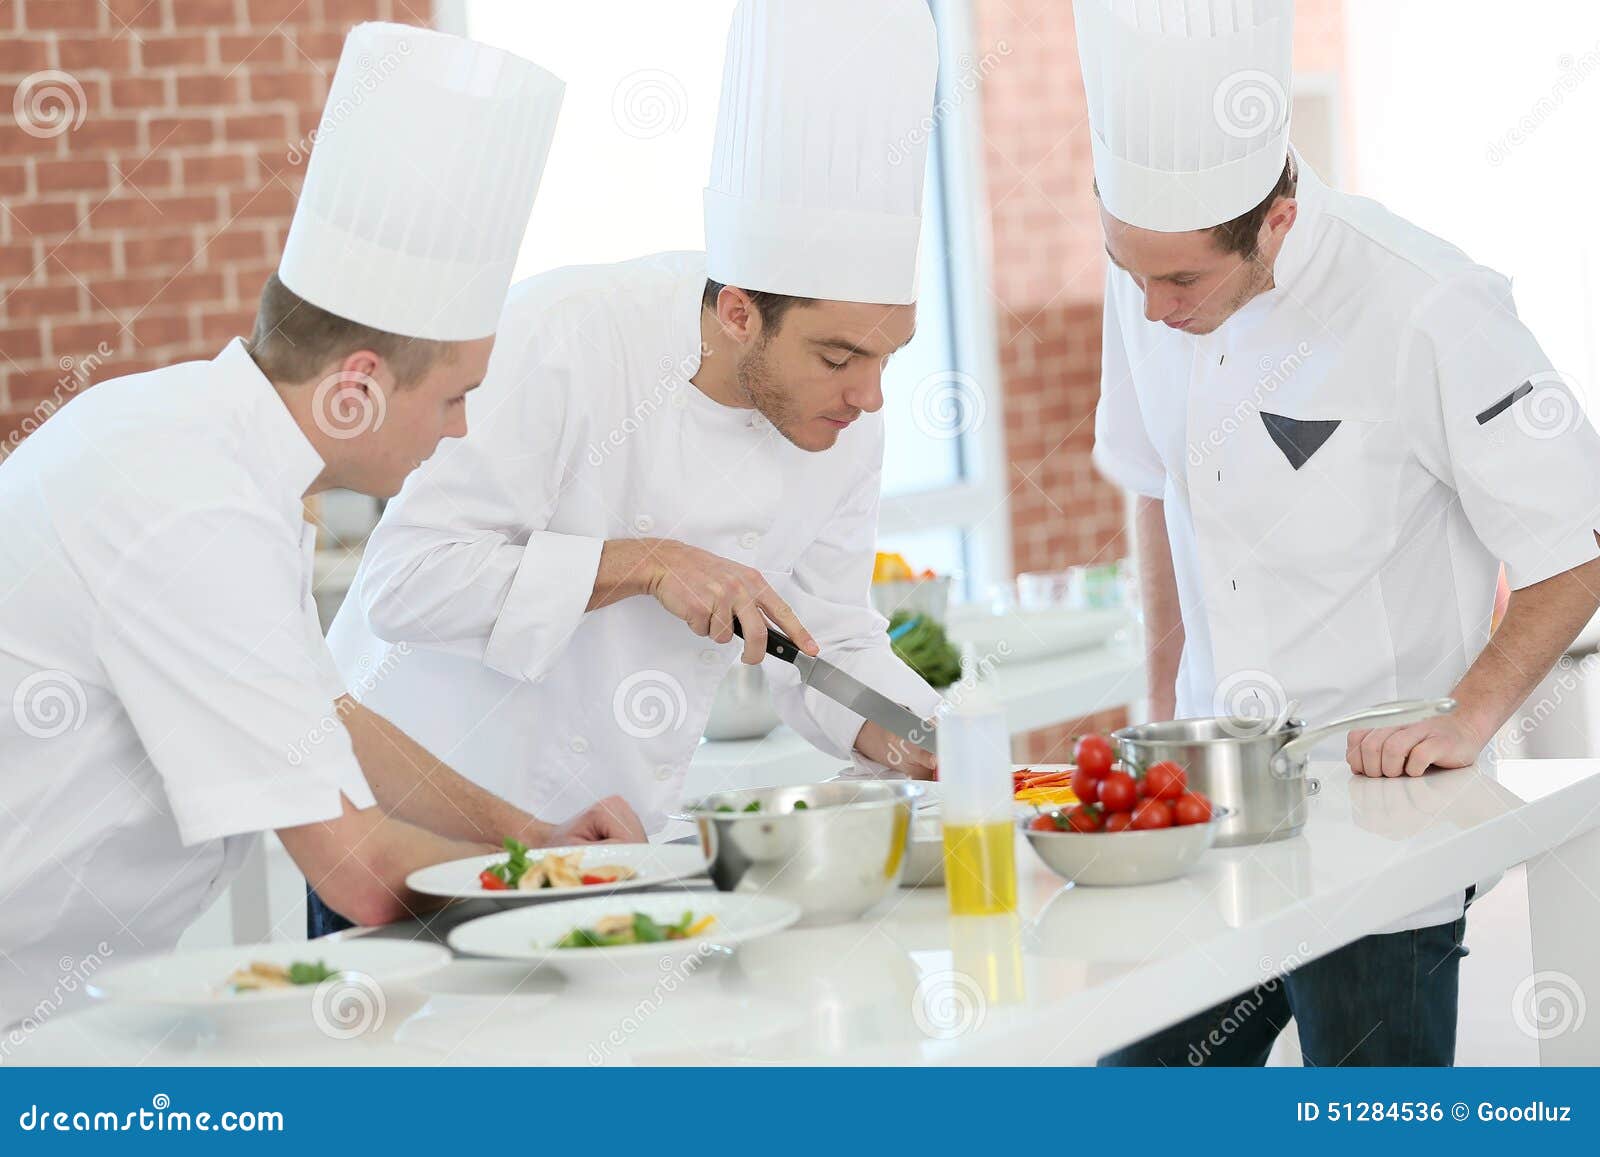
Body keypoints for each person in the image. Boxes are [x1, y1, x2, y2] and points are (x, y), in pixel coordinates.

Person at [0, 23, 643, 1028]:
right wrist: (584, 899)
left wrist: (534, 834)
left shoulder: (212, 447)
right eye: (455, 395)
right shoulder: (190, 500)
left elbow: (331, 719)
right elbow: (360, 873)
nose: (464, 425)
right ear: (360, 385)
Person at [1076, 0, 1600, 1065]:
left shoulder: (1427, 302)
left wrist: (1468, 714)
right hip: (1201, 811)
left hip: (1379, 821)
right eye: (1128, 268)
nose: (1151, 308)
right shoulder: (1147, 281)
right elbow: (1151, 480)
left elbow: (1574, 538)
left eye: (1180, 280)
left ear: (1274, 218)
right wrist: (1157, 706)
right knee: (1136, 1091)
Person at [324, 0, 945, 853]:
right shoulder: (566, 339)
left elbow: (826, 636)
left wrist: (941, 743)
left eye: (890, 356)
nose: (870, 397)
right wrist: (649, 564)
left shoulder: (846, 410)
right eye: (838, 358)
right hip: (414, 830)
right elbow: (406, 581)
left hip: (601, 845)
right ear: (738, 314)